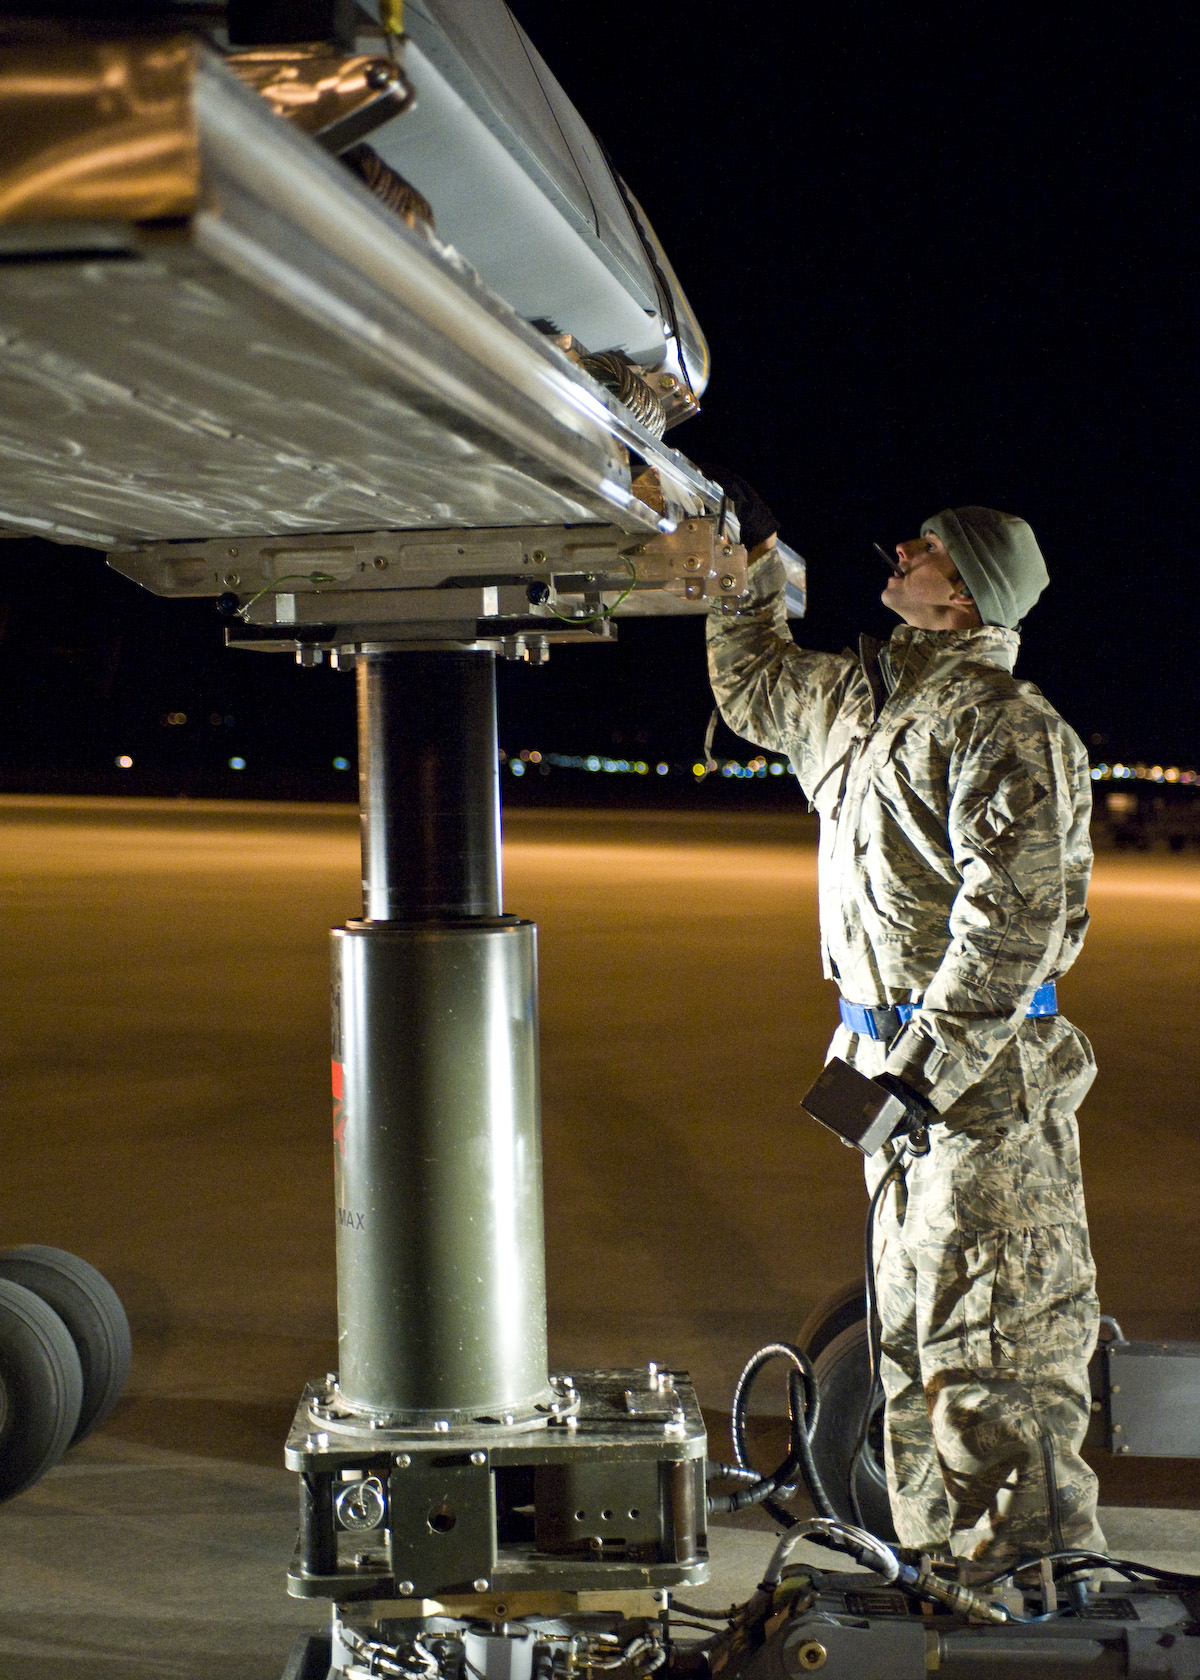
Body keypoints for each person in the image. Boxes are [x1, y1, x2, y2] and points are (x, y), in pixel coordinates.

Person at [707, 490, 1105, 1569]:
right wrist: (743, 573)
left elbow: (1012, 928)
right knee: (908, 1364)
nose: (904, 549)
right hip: (897, 1089)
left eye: (931, 547)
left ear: (967, 592)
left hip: (976, 1100)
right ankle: (946, 1591)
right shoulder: (860, 701)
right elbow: (752, 689)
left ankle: (1039, 1603)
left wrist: (918, 1077)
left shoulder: (1005, 724)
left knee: (995, 1370)